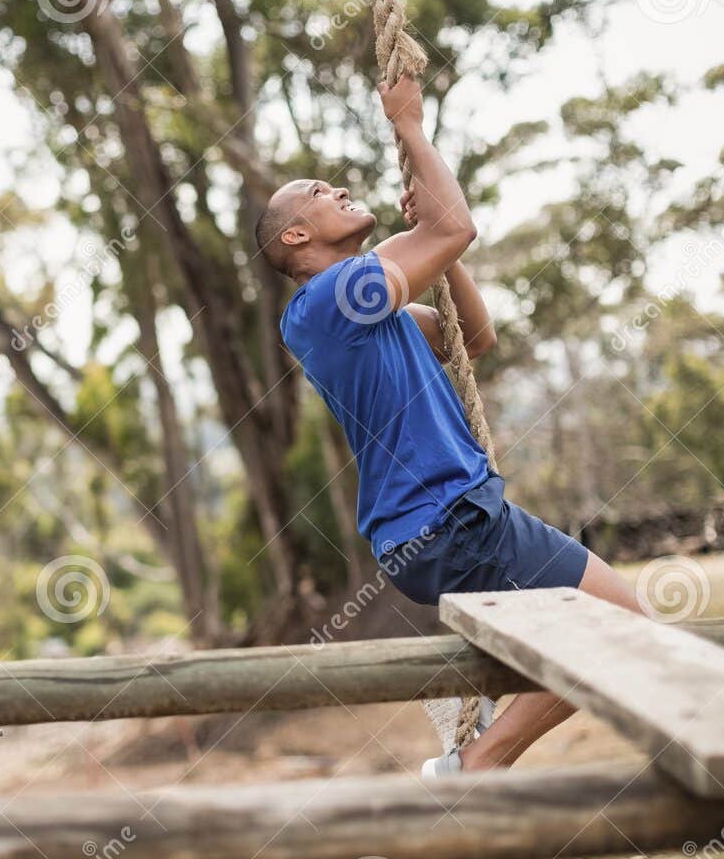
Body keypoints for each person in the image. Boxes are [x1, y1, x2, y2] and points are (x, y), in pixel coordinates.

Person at [254, 75, 640, 780]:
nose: (338, 187)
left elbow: (474, 336)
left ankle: (483, 712)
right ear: (297, 235)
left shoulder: (370, 309)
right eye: (318, 189)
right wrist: (409, 127)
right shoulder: (332, 297)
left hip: (437, 528)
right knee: (621, 622)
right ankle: (476, 763)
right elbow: (453, 225)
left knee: (608, 623)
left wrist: (441, 251)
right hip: (447, 520)